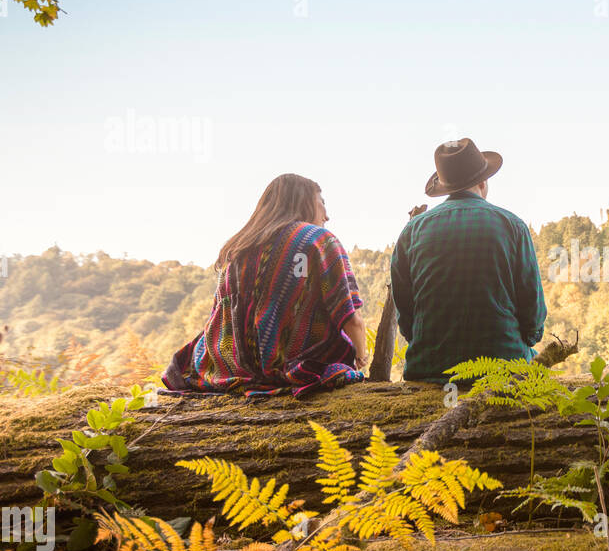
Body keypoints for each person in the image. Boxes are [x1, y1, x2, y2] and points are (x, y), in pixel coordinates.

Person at [164, 174, 368, 397]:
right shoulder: (318, 239)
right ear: (306, 202)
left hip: (230, 368)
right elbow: (350, 317)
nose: (327, 215)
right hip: (300, 365)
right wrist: (360, 357)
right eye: (322, 203)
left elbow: (218, 320)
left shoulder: (238, 248)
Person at [390, 138, 547, 382]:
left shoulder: (412, 231)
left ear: (445, 186)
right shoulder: (512, 226)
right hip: (504, 367)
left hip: (429, 369)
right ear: (483, 181)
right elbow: (533, 315)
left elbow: (405, 315)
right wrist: (527, 339)